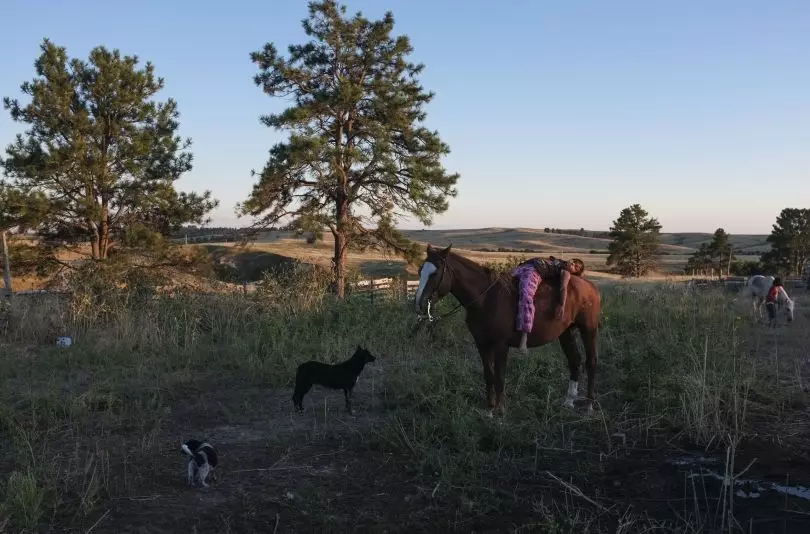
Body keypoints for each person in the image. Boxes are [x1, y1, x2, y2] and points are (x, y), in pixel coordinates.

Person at [512, 256, 585, 354]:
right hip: (524, 266)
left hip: (534, 273)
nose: (573, 264)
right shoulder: (557, 261)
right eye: (574, 261)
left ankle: (524, 338)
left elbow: (563, 288)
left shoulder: (565, 272)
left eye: (576, 267)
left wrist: (561, 304)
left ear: (574, 273)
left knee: (526, 296)